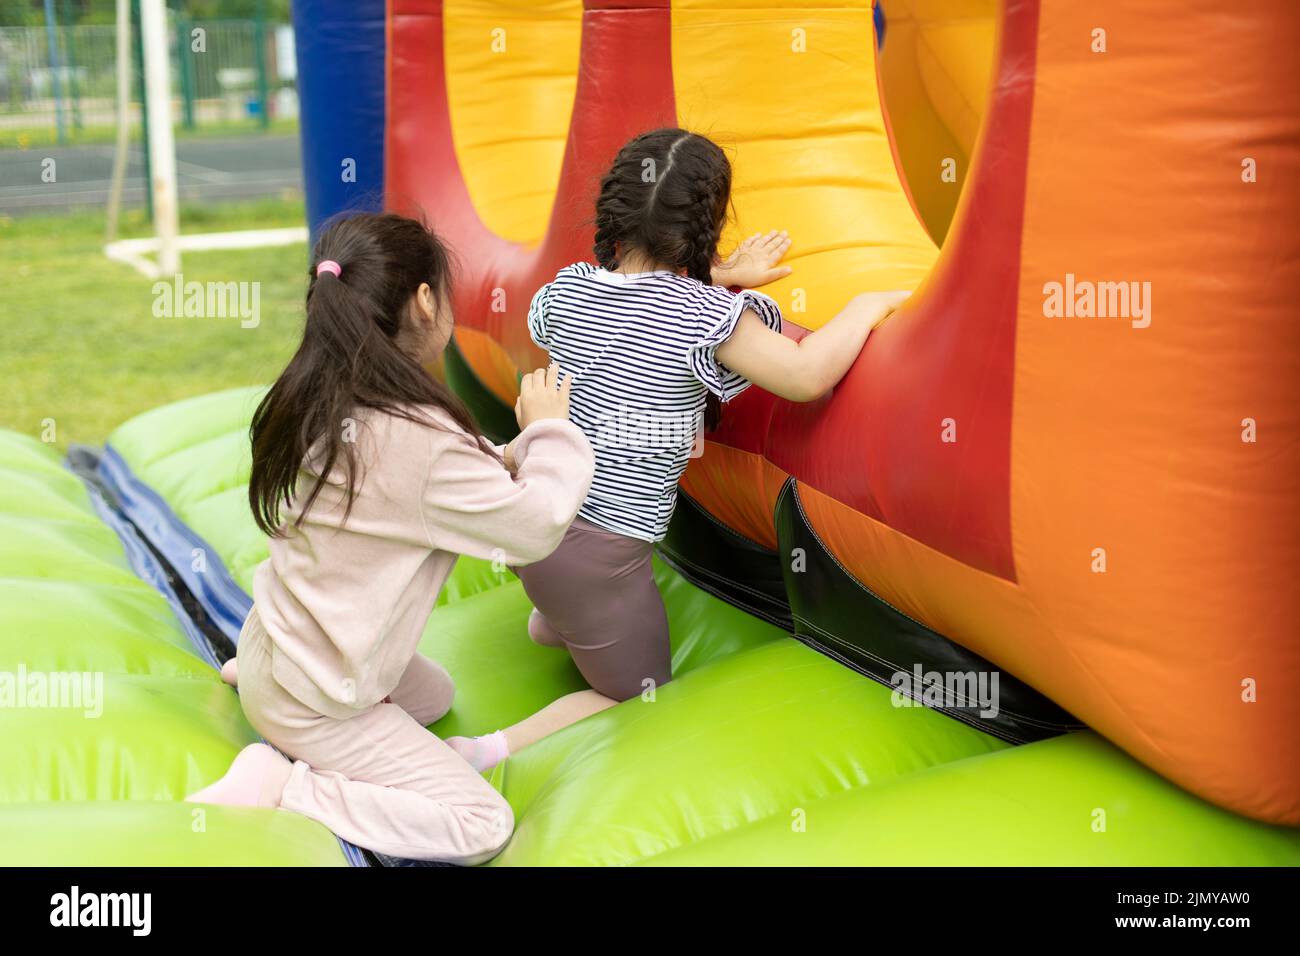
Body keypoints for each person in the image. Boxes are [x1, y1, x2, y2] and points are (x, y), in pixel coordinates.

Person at [447, 128, 908, 772]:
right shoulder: (705, 316)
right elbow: (805, 377)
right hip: (597, 558)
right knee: (637, 692)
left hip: (531, 516)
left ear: (613, 211)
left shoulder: (567, 290)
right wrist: (866, 304)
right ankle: (482, 752)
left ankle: (559, 621)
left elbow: (629, 299)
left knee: (573, 601)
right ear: (706, 226)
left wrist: (717, 276)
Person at [185, 212, 594, 864]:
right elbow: (535, 527)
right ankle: (285, 785)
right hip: (318, 700)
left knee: (435, 698)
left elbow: (431, 476)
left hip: (275, 651)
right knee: (480, 825)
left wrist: (510, 454)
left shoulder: (322, 393)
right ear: (425, 300)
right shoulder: (418, 441)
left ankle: (271, 698)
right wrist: (551, 432)